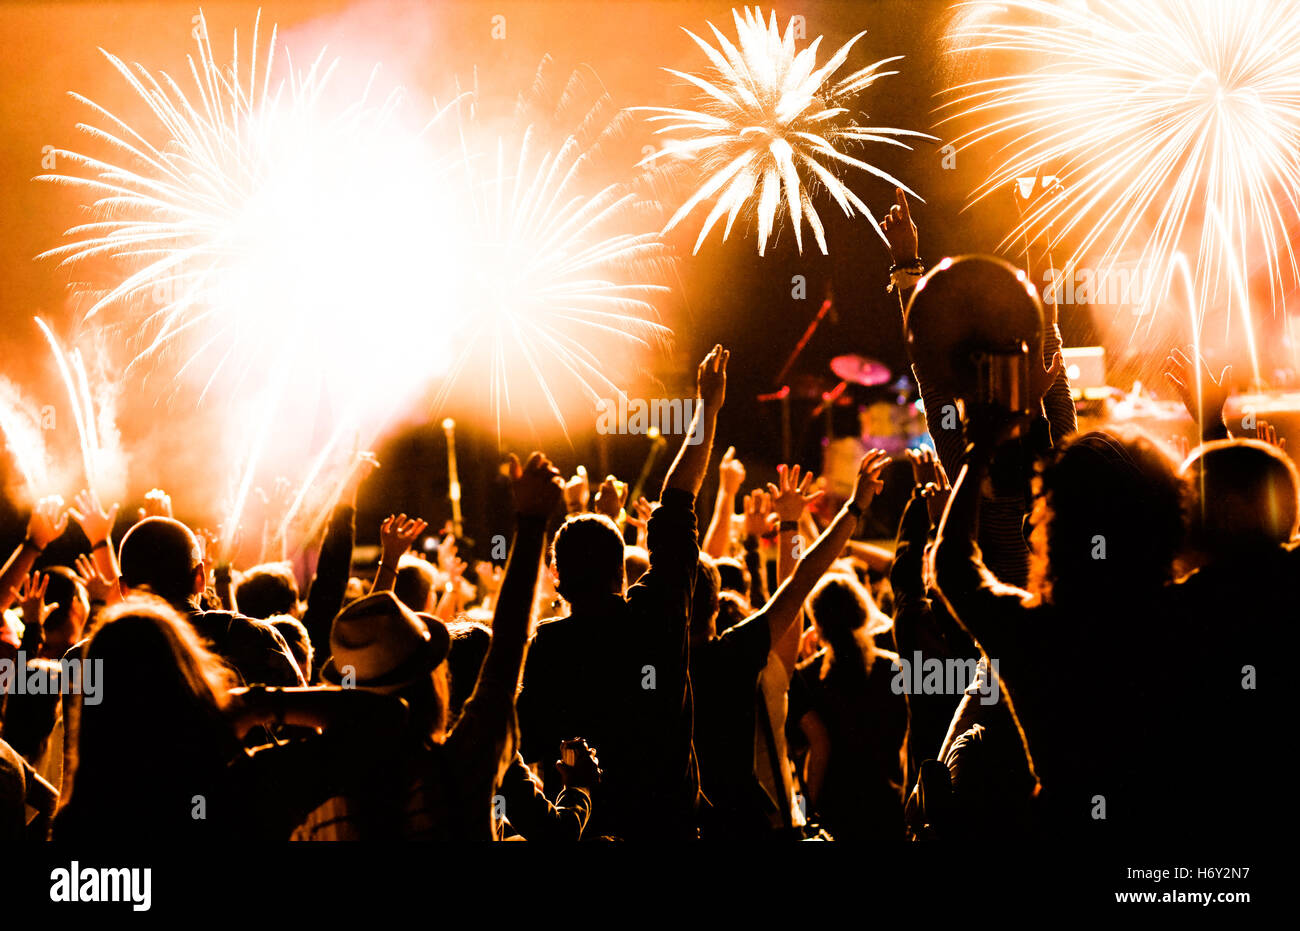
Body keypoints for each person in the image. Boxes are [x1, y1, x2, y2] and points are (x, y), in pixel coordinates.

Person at [518, 345, 729, 841]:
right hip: (669, 831)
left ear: (558, 579)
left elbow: (542, 746)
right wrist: (707, 408)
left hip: (590, 831)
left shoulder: (549, 646)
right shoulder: (656, 614)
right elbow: (679, 502)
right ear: (622, 569)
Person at [692, 450, 893, 838]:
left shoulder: (655, 666)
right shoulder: (751, 661)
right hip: (772, 826)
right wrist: (811, 518)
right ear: (715, 605)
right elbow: (799, 583)